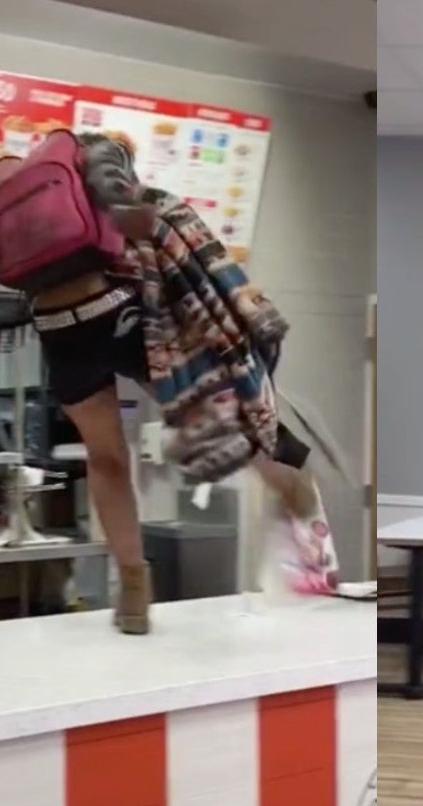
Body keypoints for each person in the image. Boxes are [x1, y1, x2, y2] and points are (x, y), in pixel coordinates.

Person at [30, 132, 322, 635]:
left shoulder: (43, 219)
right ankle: (289, 487)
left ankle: (134, 593)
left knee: (105, 456)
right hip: (126, 315)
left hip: (62, 328)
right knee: (213, 414)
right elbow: (208, 269)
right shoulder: (148, 202)